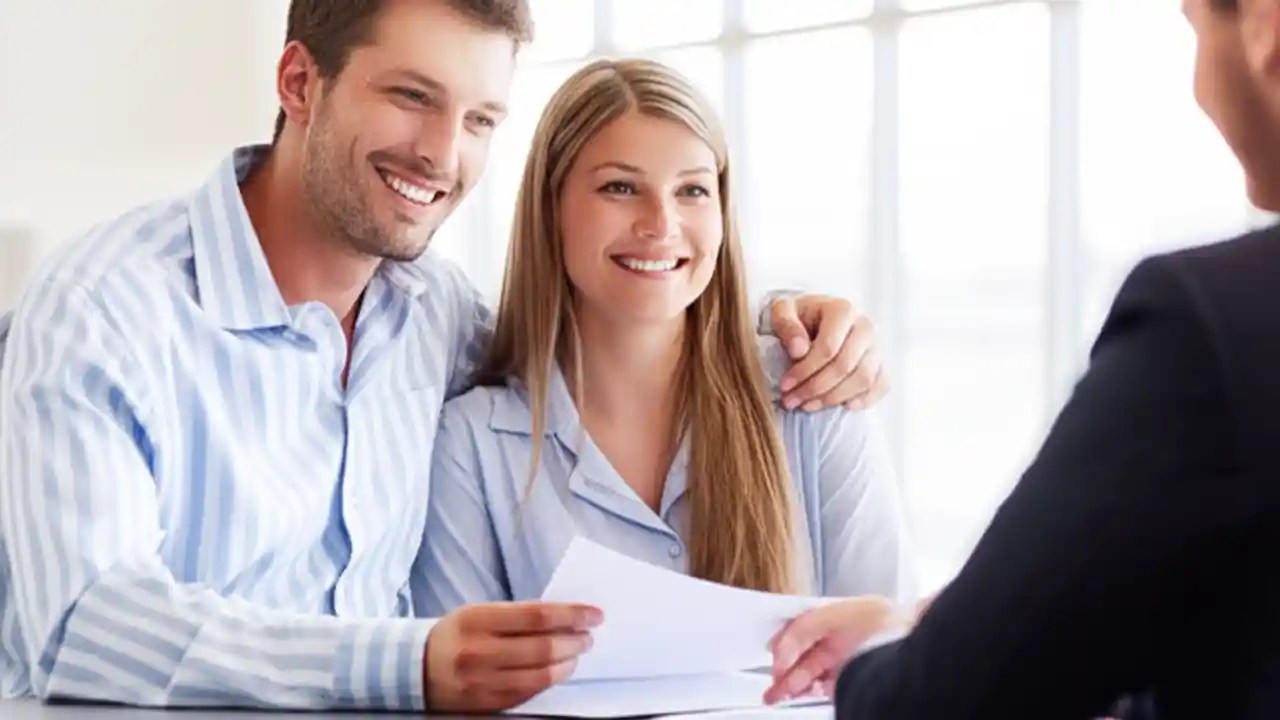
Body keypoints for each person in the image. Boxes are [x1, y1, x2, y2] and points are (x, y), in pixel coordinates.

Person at [0, 0, 890, 714]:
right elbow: (84, 625)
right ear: (299, 80)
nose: (443, 152)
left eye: (480, 119)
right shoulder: (102, 306)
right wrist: (408, 662)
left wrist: (789, 317)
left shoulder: (436, 316)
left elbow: (613, 315)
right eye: (412, 97)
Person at [765, 0, 1280, 717]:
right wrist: (921, 628)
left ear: (1264, 27)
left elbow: (945, 703)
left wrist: (895, 658)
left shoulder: (1214, 320)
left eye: (1195, 24)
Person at [414, 59, 916, 623]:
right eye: (620, 187)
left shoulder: (814, 400)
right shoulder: (472, 445)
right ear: (550, 209)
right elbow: (464, 690)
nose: (661, 224)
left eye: (693, 191)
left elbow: (889, 647)